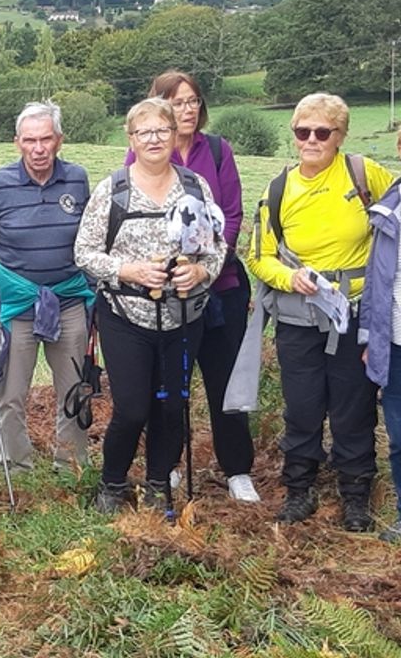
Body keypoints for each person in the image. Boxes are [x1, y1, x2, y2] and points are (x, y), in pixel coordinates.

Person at [245, 93, 392, 531]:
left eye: (322, 132)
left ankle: (355, 498)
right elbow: (259, 255)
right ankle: (299, 491)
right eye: (302, 131)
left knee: (354, 408)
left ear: (340, 136)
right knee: (303, 408)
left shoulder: (365, 174)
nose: (310, 139)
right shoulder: (278, 189)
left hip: (355, 315)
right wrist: (291, 279)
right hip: (299, 318)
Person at [75, 98, 226, 513]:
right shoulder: (114, 189)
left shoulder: (195, 187)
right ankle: (112, 483)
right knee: (132, 406)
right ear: (131, 139)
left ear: (176, 133)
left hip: (183, 317)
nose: (155, 139)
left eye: (163, 130)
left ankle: (159, 483)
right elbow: (85, 252)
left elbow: (217, 248)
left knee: (172, 404)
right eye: (145, 132)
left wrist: (199, 274)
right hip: (125, 316)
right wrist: (129, 270)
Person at [134, 72, 259, 502]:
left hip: (221, 288)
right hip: (168, 296)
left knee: (226, 382)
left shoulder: (219, 151)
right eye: (176, 102)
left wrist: (206, 267)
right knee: (169, 383)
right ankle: (166, 464)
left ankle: (237, 470)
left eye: (192, 101)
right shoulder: (143, 159)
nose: (186, 110)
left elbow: (234, 215)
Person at [0, 100, 92, 474]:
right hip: (18, 305)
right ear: (17, 143)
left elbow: (91, 241)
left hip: (69, 300)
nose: (39, 148)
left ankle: (72, 465)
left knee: (74, 388)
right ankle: (16, 468)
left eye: (46, 139)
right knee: (11, 393)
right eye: (30, 140)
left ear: (59, 140)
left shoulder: (78, 179)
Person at [359, 127, 401, 544]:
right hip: (395, 340)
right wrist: (372, 337)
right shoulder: (391, 206)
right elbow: (377, 279)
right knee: (400, 435)